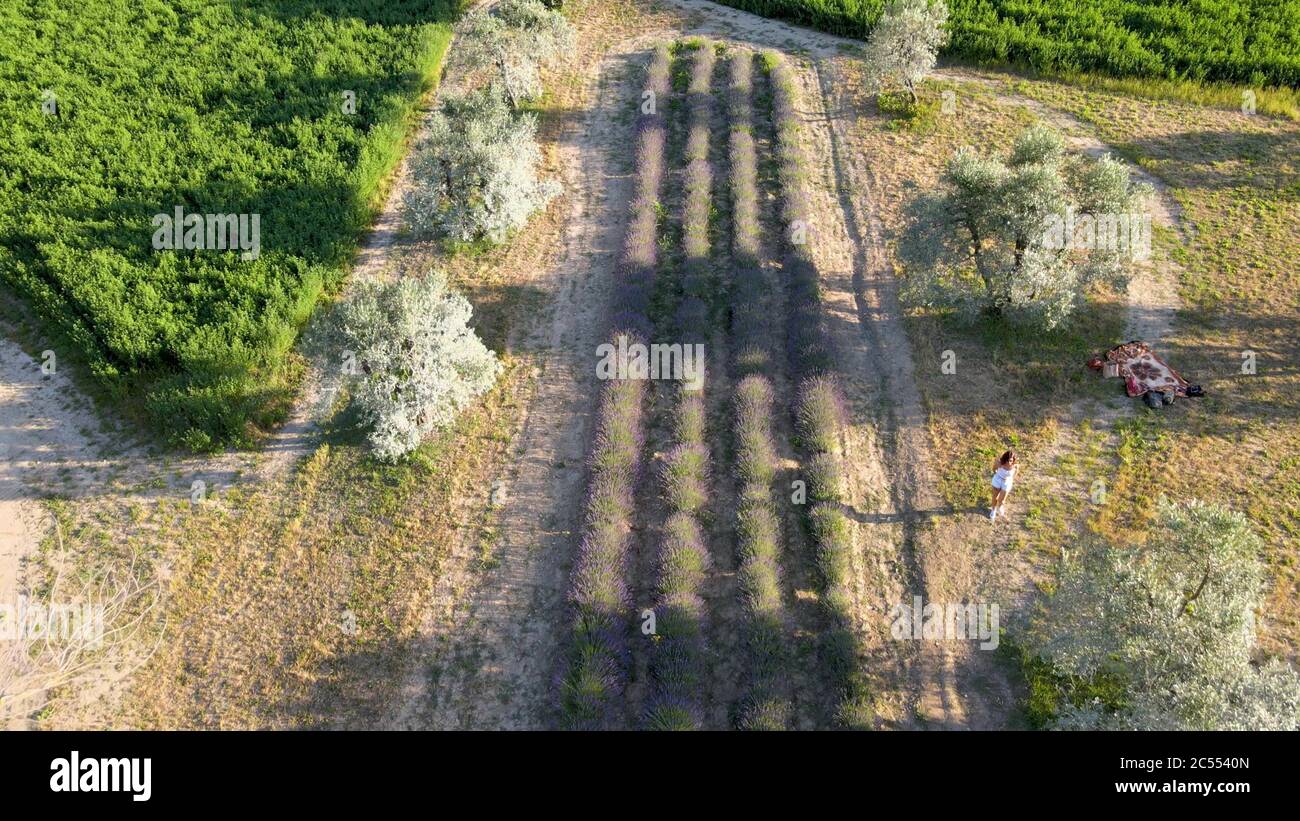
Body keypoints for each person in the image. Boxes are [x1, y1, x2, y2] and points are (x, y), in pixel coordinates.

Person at [989, 450, 1017, 521]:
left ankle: (1000, 507)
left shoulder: (1014, 466)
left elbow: (1015, 474)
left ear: (1013, 460)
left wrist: (1010, 479)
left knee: (1002, 500)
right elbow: (994, 469)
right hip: (998, 480)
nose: (1008, 462)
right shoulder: (999, 463)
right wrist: (997, 475)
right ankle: (993, 510)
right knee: (995, 497)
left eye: (1010, 460)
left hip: (1006, 482)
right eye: (1007, 460)